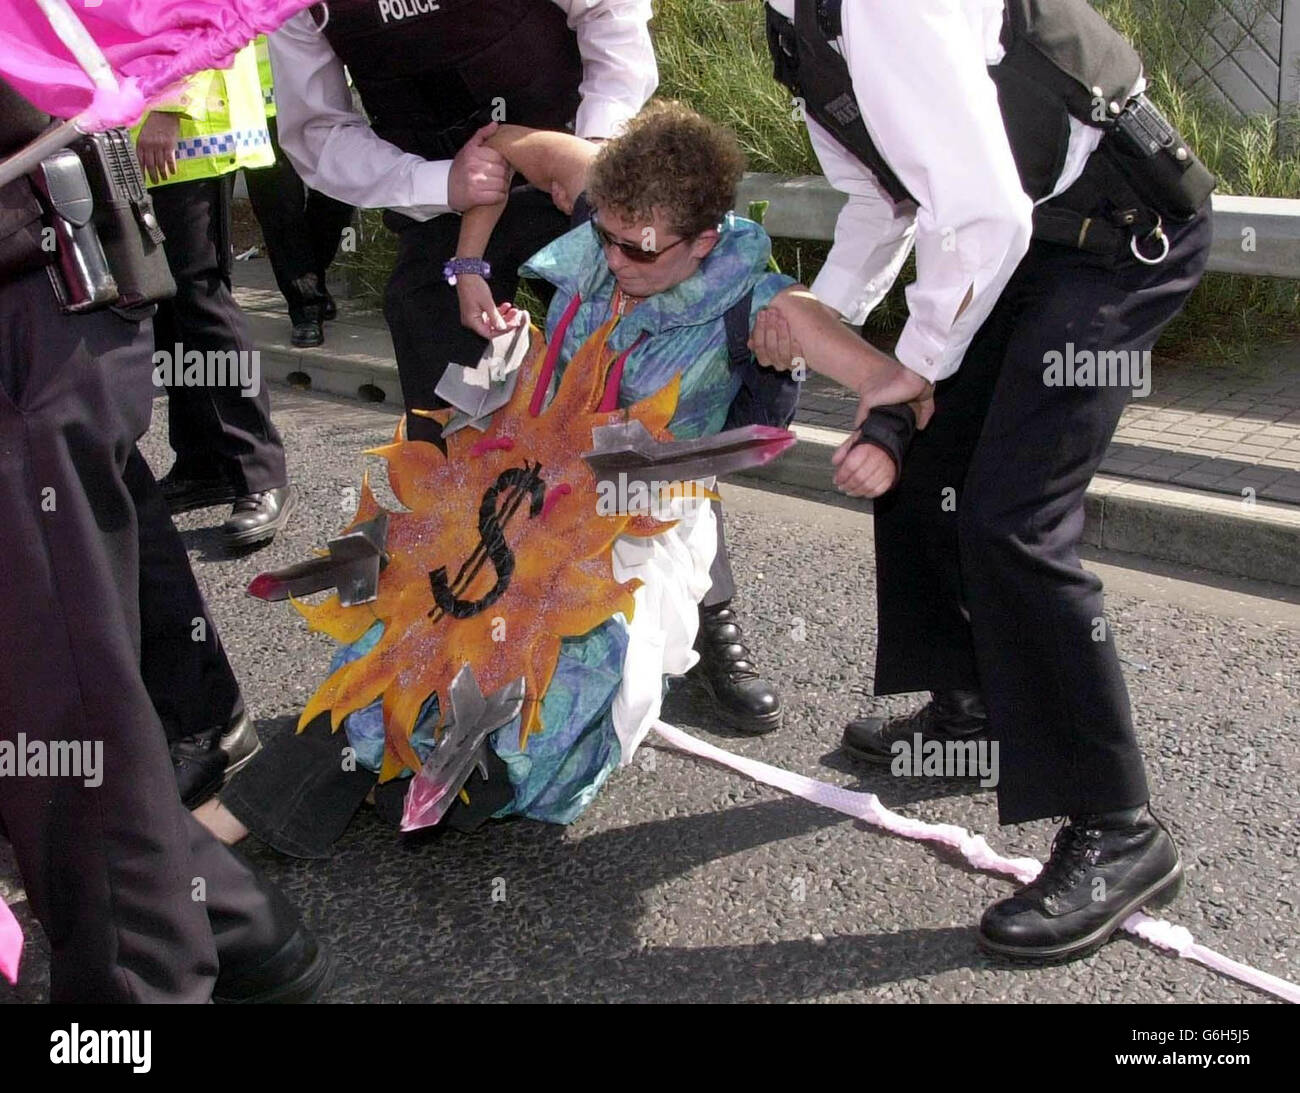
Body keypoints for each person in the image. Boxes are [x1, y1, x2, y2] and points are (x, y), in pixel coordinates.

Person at [195, 103, 801, 856]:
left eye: (638, 249)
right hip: (526, 486)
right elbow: (500, 144)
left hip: (638, 522)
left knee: (537, 696)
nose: (612, 259)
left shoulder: (754, 298)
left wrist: (789, 376)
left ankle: (407, 766)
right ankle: (267, 799)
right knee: (416, 612)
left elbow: (766, 425)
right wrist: (471, 264)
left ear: (702, 240)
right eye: (603, 236)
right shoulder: (605, 207)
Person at [747, 0, 1213, 962]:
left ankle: (1121, 827)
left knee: (1013, 521)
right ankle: (976, 710)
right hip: (1020, 240)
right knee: (925, 468)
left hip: (1119, 238)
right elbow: (888, 200)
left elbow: (984, 212)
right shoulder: (797, 18)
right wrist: (812, 326)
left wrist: (905, 367)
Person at [269, 2, 785, 733]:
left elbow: (611, 20)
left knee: (641, 411)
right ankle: (488, 649)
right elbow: (316, 131)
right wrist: (435, 182)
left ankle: (706, 620)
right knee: (453, 437)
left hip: (578, 181)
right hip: (439, 204)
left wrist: (594, 158)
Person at [0, 78, 330, 1002]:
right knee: (53, 691)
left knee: (50, 704)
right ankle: (232, 926)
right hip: (43, 278)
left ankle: (139, 994)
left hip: (26, 279)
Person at [132, 43, 296, 546]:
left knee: (202, 302)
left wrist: (171, 104)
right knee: (167, 308)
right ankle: (203, 461)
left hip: (186, 130)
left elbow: (196, 15)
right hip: (139, 135)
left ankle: (260, 472)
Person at [244, 34, 355, 348]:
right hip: (258, 104)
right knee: (280, 209)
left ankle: (312, 283)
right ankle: (305, 308)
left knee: (339, 194)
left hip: (322, 98)